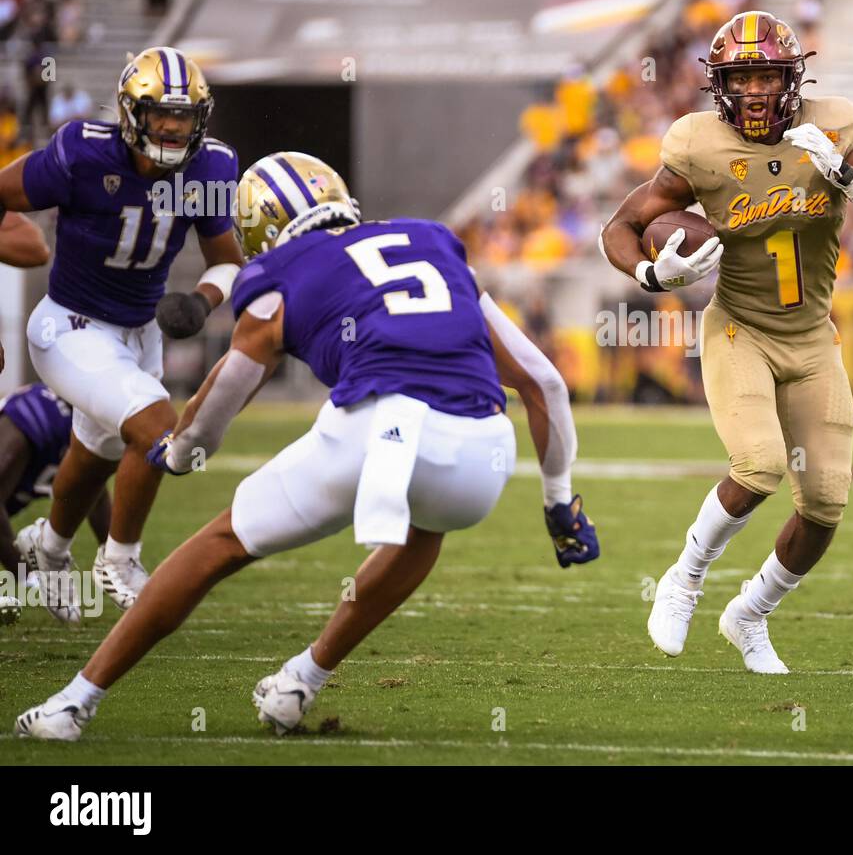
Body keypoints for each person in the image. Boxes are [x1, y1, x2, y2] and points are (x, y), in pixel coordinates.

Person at [15, 152, 598, 741]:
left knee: (218, 545)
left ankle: (73, 703)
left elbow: (220, 405)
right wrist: (558, 504)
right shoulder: (432, 241)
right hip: (478, 461)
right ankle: (300, 682)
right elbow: (543, 382)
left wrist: (179, 449)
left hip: (377, 431)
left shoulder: (276, 276)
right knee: (426, 527)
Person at [600, 11, 853, 673]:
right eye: (741, 77)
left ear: (792, 77)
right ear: (721, 83)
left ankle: (749, 613)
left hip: (812, 339)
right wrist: (651, 273)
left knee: (826, 505)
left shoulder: (833, 127)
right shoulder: (697, 143)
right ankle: (684, 579)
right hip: (740, 328)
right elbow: (624, 224)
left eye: (766, 74)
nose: (752, 91)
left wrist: (848, 177)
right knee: (758, 466)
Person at [0, 47, 242, 623]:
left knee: (96, 453)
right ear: (132, 112)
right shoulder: (81, 153)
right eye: (161, 113)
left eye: (185, 117)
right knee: (158, 429)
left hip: (138, 335)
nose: (173, 127)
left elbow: (227, 261)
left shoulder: (209, 168)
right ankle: (120, 559)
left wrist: (202, 302)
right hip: (68, 326)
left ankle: (50, 548)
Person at [1, 383, 112, 591]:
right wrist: (28, 577)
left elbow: (95, 493)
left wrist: (117, 557)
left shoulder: (78, 422)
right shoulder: (40, 414)